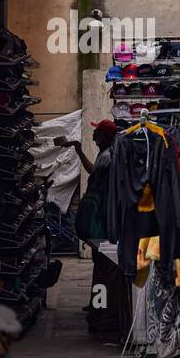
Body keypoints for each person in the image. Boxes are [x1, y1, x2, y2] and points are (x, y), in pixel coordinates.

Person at [62, 119, 129, 337]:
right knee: (105, 273)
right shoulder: (107, 157)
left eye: (96, 132)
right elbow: (94, 173)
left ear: (103, 137)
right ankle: (101, 314)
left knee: (104, 273)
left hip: (103, 227)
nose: (93, 135)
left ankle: (101, 314)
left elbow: (97, 179)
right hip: (103, 228)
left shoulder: (108, 158)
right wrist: (79, 152)